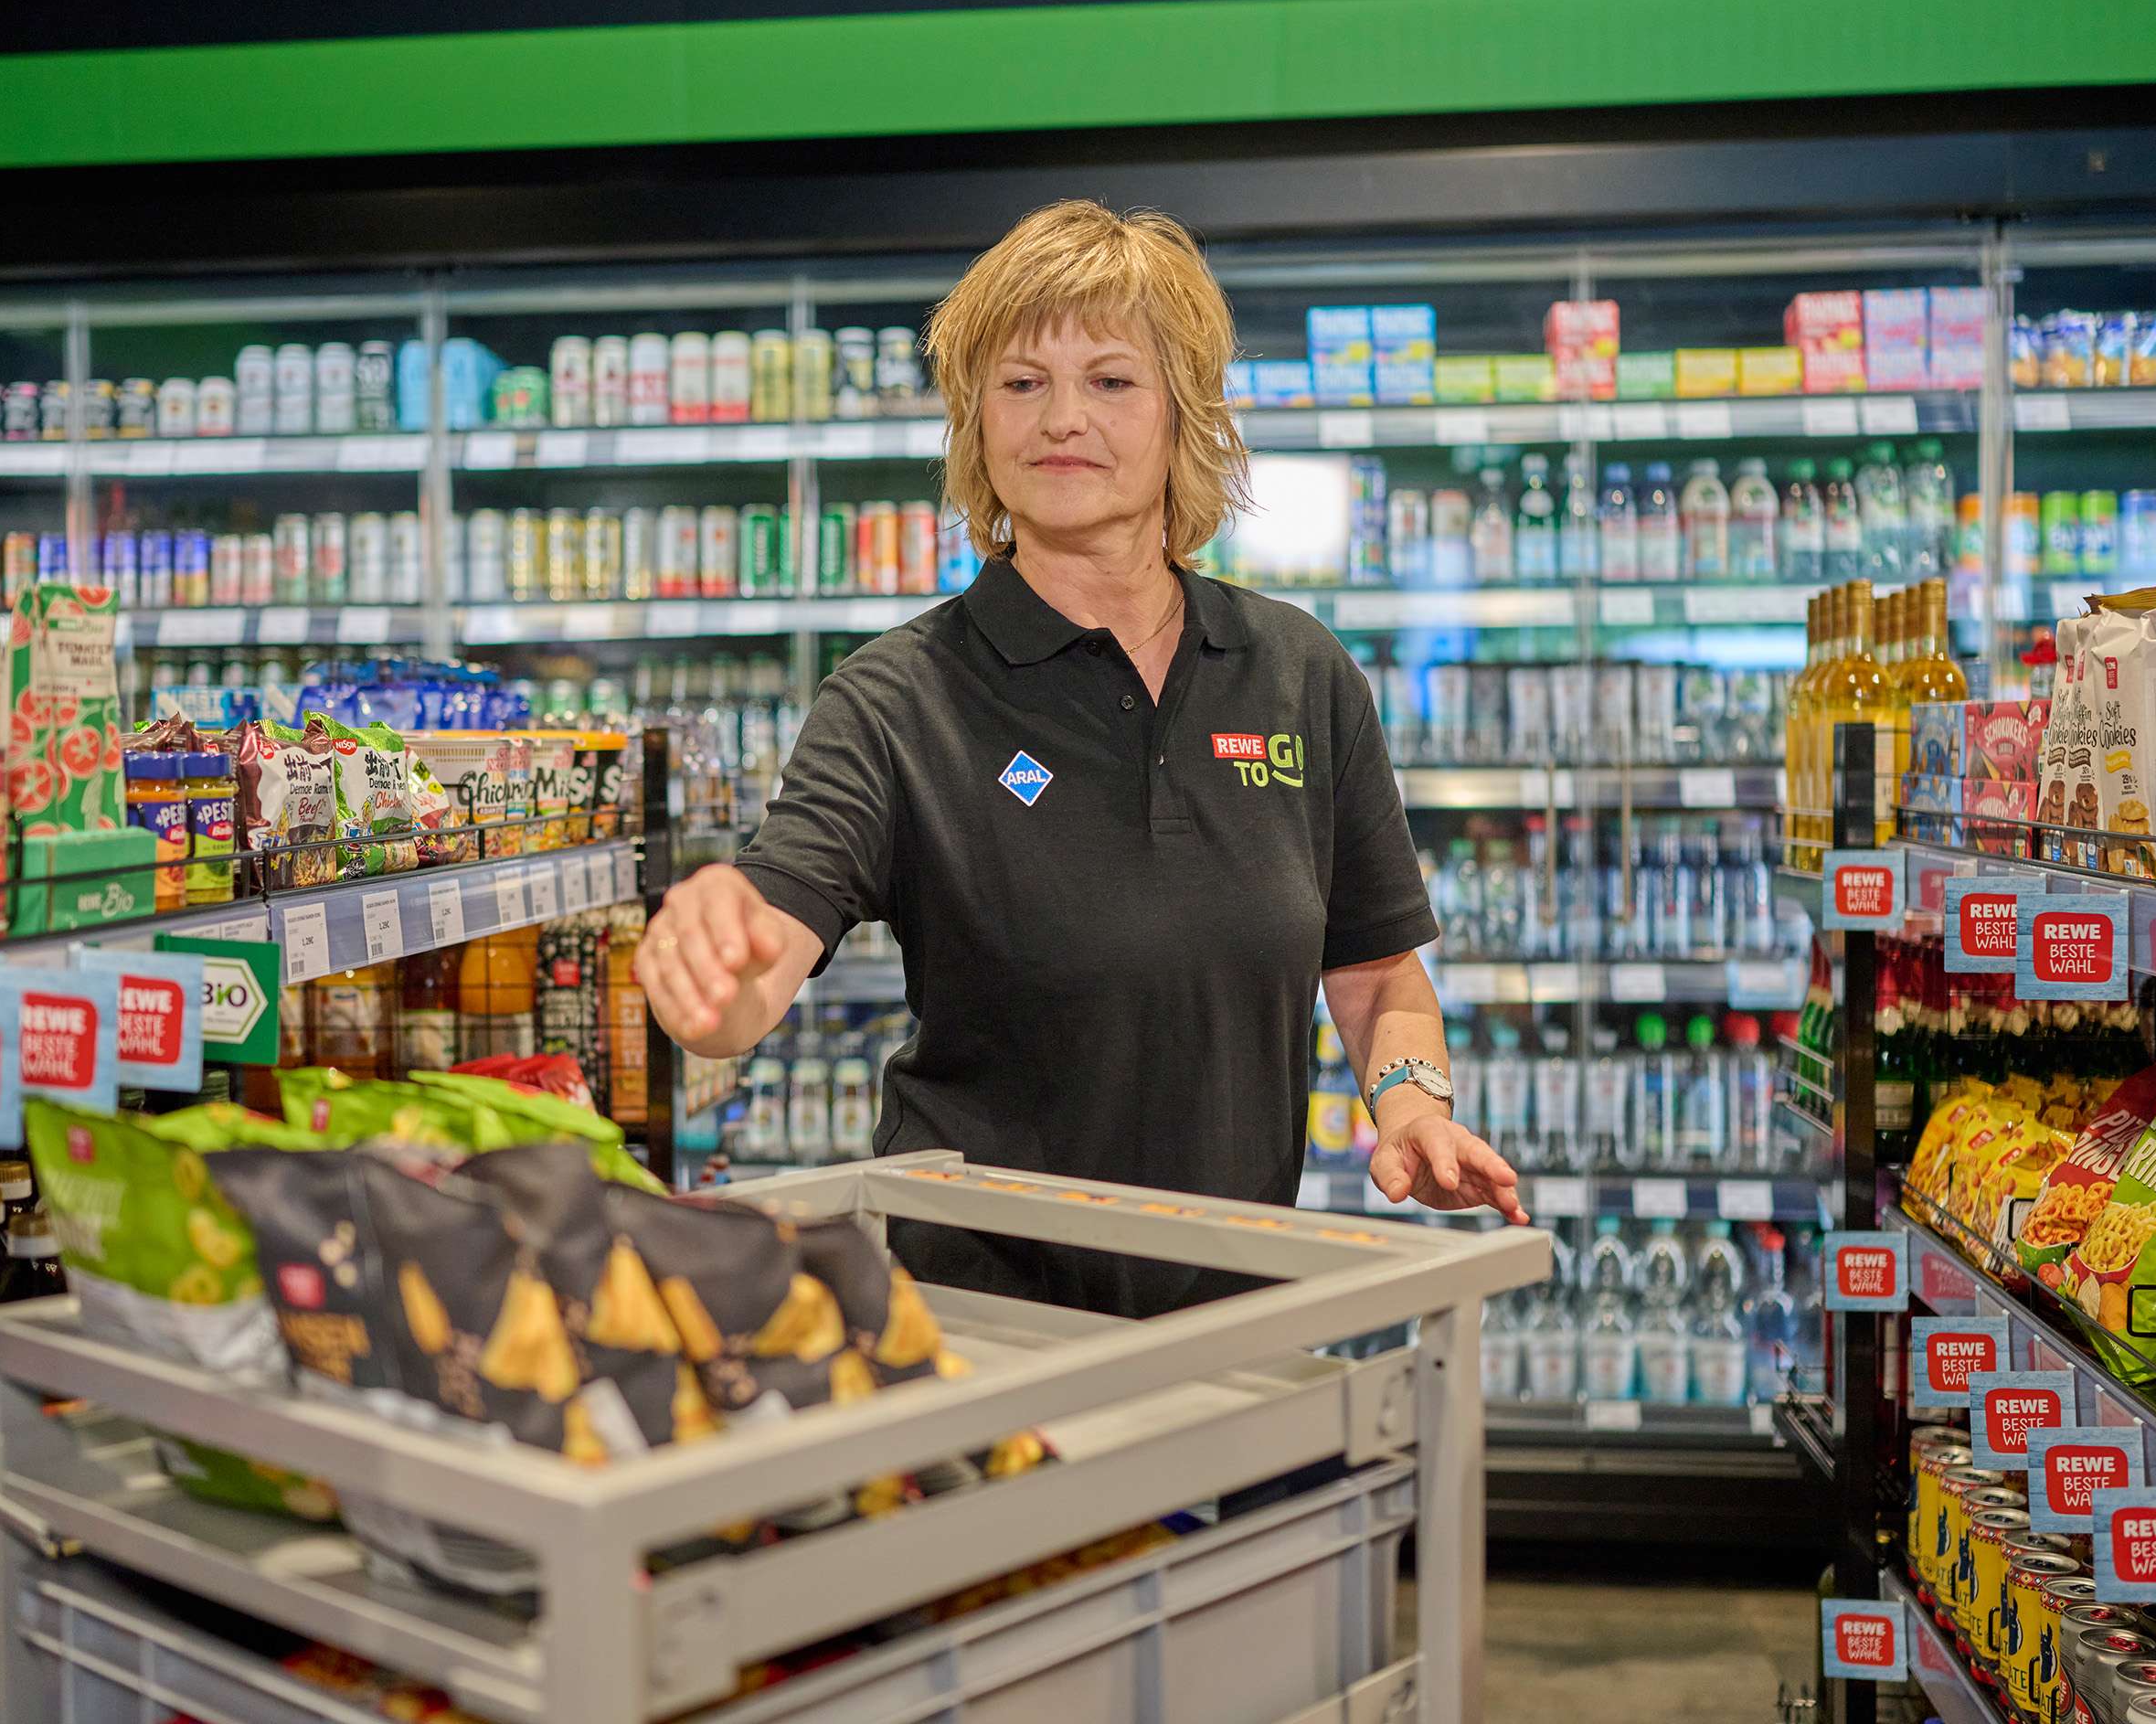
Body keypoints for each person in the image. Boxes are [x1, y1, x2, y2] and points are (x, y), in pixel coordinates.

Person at [636, 198, 1523, 1315]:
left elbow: (1378, 967)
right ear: (975, 420)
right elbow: (756, 956)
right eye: (1020, 383)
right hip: (983, 1327)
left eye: (1111, 380)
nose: (1062, 418)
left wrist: (1411, 1107)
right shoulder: (898, 697)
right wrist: (707, 964)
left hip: (1240, 1310)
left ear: (1182, 414)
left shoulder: (1297, 672)